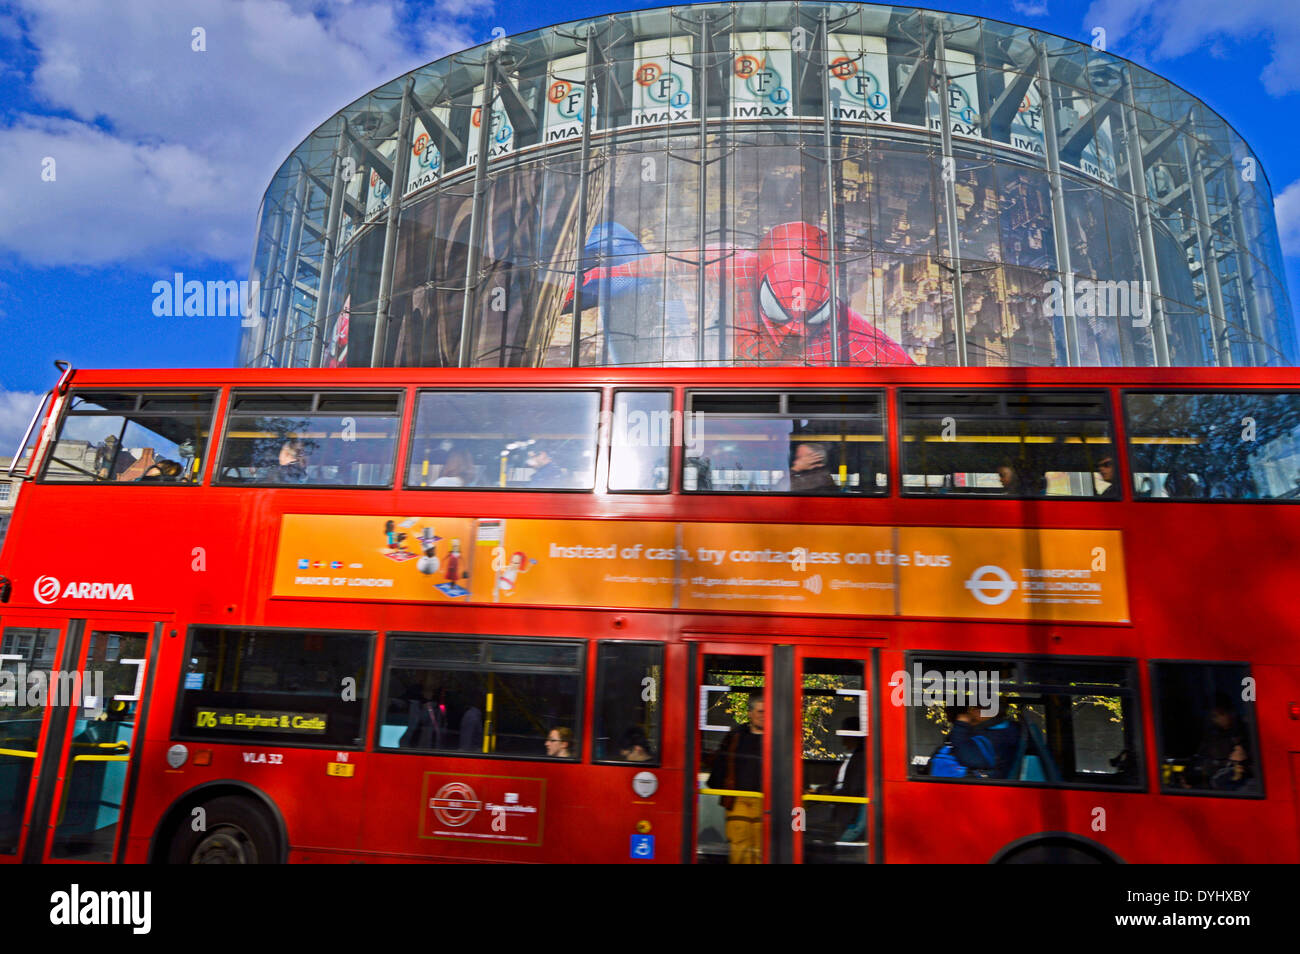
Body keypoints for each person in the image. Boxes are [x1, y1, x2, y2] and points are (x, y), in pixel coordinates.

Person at [707, 695, 765, 864]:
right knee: (739, 846)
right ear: (750, 713)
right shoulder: (735, 736)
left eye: (767, 712)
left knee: (761, 848)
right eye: (760, 711)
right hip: (738, 800)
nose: (763, 715)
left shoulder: (777, 738)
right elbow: (721, 762)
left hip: (766, 801)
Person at [1192, 696, 1252, 791]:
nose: (1218, 719)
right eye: (1214, 716)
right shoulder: (1211, 736)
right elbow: (1202, 758)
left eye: (1221, 714)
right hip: (1216, 782)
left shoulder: (1247, 732)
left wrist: (1244, 757)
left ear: (1231, 712)